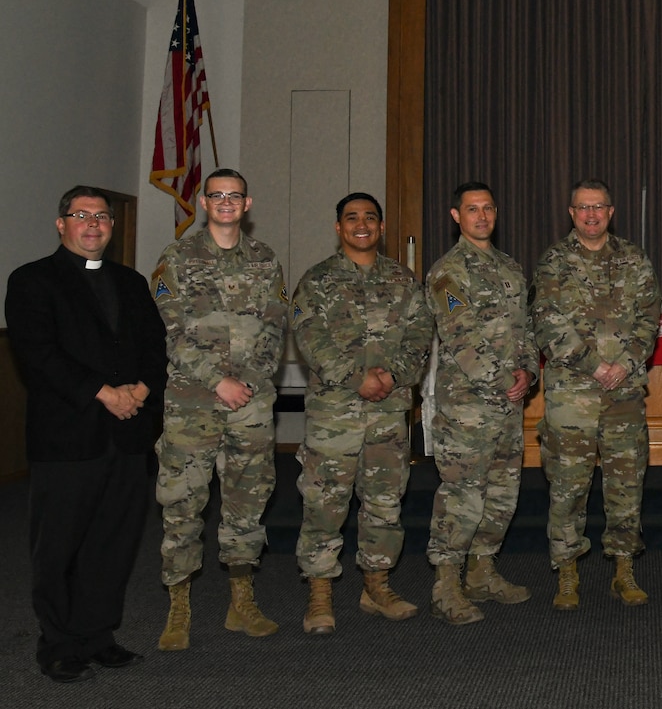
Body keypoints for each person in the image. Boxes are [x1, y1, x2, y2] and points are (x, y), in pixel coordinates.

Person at [5, 186, 167, 683]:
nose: (93, 224)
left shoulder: (131, 281)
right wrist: (104, 392)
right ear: (61, 224)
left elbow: (155, 345)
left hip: (128, 436)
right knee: (59, 546)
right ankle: (58, 643)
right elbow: (38, 354)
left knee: (113, 544)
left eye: (102, 217)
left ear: (112, 228)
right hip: (68, 437)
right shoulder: (32, 280)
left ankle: (99, 636)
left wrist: (141, 388)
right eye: (82, 215)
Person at [151, 169, 288, 650]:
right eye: (217, 196)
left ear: (247, 204)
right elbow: (173, 332)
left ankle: (241, 600)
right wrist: (218, 381)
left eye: (234, 196)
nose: (226, 203)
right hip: (193, 403)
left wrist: (245, 383)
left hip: (250, 404)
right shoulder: (177, 258)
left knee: (247, 502)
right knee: (183, 504)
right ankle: (179, 607)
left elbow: (275, 329)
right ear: (205, 202)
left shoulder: (265, 259)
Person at [291, 192, 433, 635]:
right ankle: (319, 595)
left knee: (385, 504)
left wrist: (393, 376)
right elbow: (309, 336)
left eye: (370, 217)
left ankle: (376, 587)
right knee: (324, 504)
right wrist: (357, 378)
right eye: (351, 218)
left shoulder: (404, 281)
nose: (361, 224)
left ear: (382, 226)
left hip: (389, 414)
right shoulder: (316, 280)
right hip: (335, 413)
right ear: (338, 228)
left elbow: (420, 335)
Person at [532, 178, 660, 610]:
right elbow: (548, 324)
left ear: (611, 211)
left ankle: (623, 569)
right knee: (568, 485)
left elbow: (649, 318)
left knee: (626, 483)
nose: (591, 215)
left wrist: (624, 364)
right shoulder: (553, 262)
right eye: (582, 208)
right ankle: (567, 573)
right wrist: (594, 365)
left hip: (624, 392)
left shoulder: (634, 259)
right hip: (573, 396)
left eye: (598, 207)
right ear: (572, 214)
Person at [425, 182, 538, 625]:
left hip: (509, 406)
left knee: (501, 495)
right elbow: (460, 337)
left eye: (488, 208)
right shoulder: (448, 272)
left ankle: (482, 572)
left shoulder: (510, 268)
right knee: (461, 496)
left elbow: (525, 329)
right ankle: (446, 585)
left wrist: (527, 372)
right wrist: (502, 380)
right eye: (472, 209)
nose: (482, 216)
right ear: (456, 216)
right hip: (468, 408)